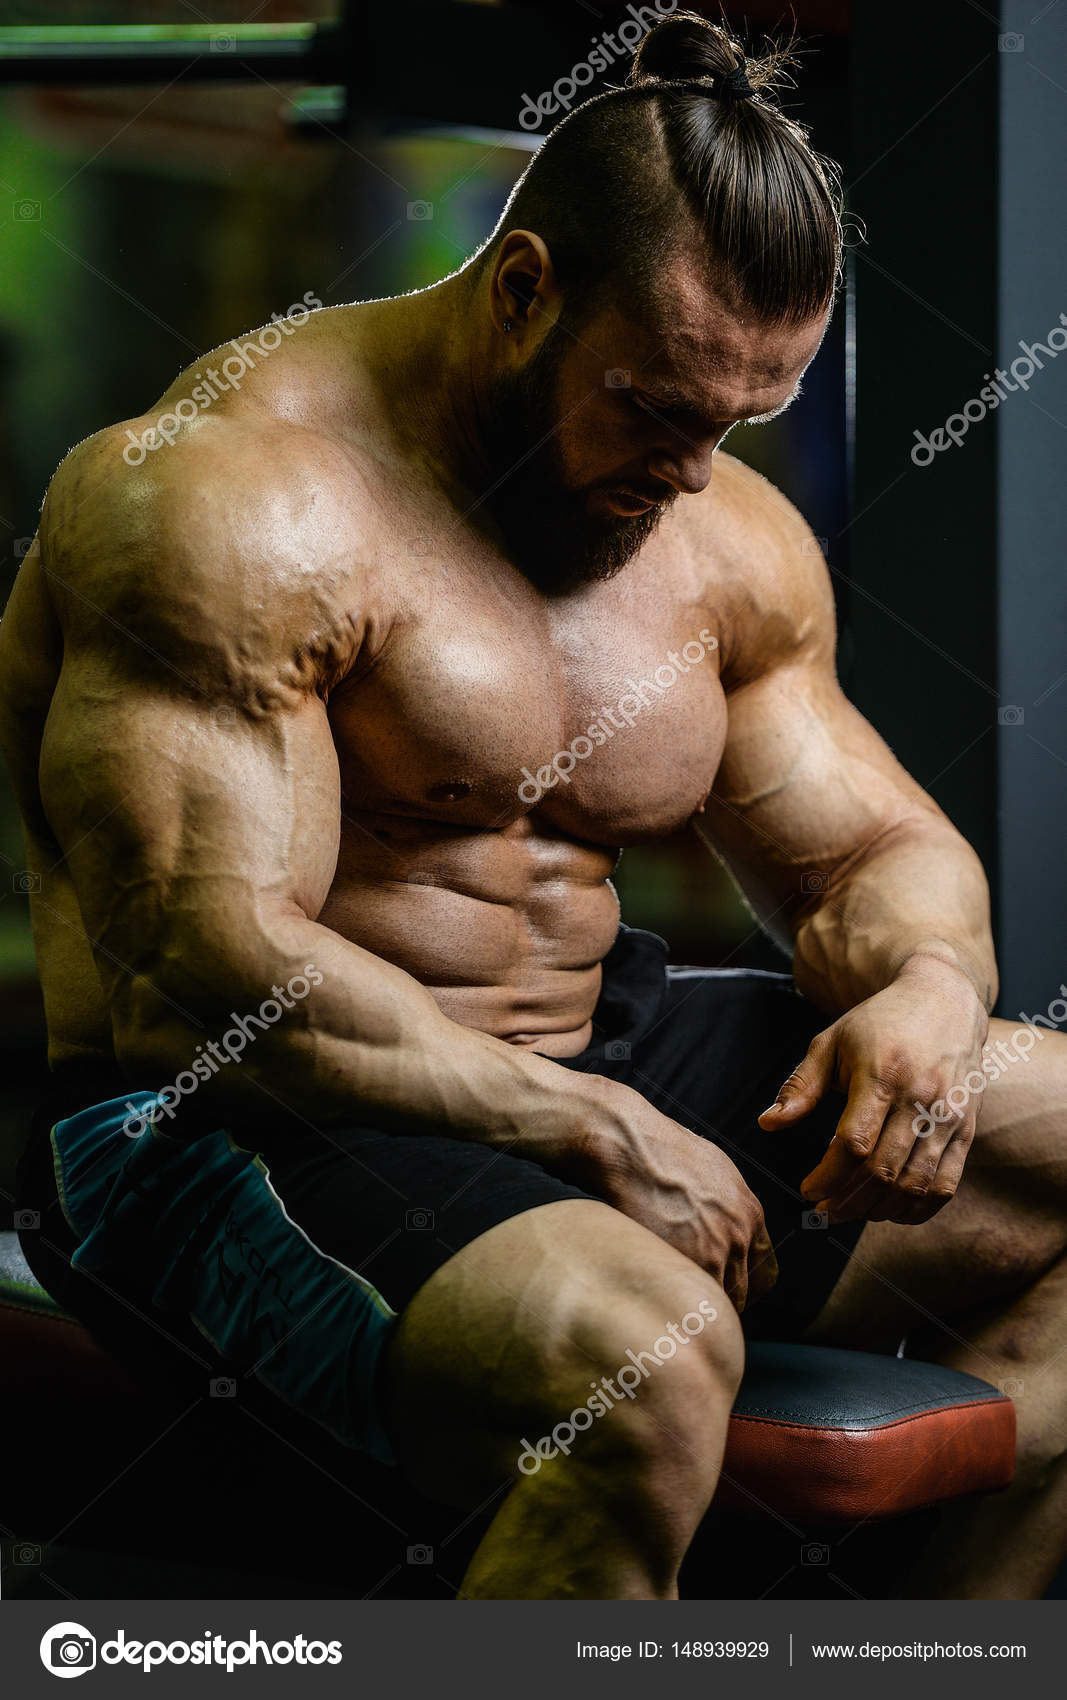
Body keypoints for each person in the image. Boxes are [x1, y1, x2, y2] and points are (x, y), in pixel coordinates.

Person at [2, 13, 1066, 1600]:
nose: (694, 473)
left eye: (739, 423)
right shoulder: (228, 501)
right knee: (644, 1364)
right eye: (655, 410)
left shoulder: (715, 537)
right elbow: (209, 970)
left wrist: (923, 985)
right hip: (235, 1119)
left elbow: (873, 851)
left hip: (587, 1056)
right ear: (522, 292)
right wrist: (597, 1131)